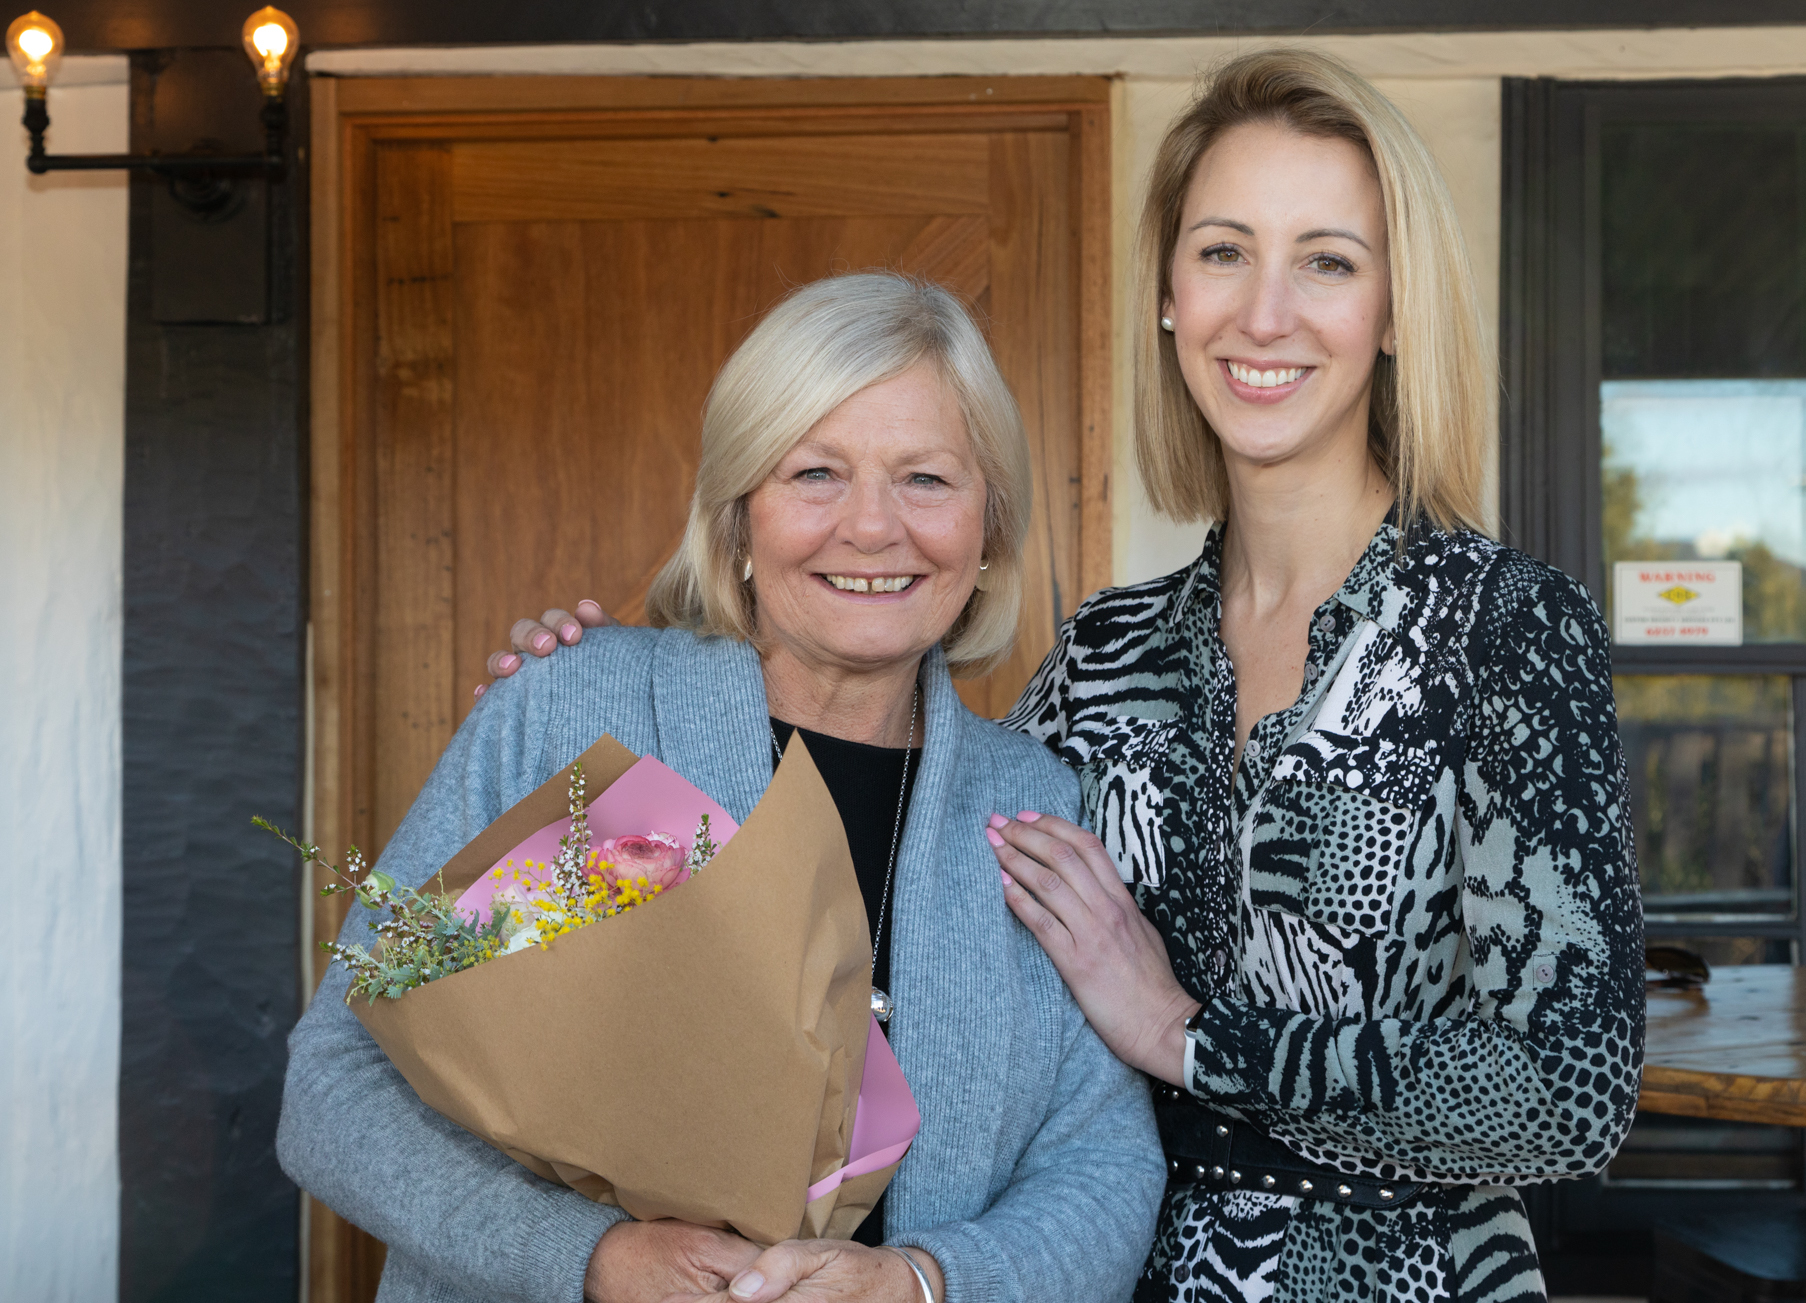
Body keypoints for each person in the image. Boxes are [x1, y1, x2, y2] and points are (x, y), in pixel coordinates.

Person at [486, 50, 1645, 1302]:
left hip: (1407, 1275)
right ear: (1165, 293)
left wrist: (1186, 1035)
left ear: (1397, 308)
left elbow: (1569, 1095)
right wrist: (621, 697)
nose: (1265, 313)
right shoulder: (1109, 648)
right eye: (1221, 252)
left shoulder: (1506, 629)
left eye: (1327, 259)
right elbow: (930, 892)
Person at [278, 272, 1166, 1303]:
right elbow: (340, 1088)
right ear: (739, 517)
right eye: (815, 473)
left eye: (926, 479)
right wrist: (588, 1259)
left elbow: (1105, 1163)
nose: (873, 527)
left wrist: (925, 1284)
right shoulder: (587, 722)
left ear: (988, 528)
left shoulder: (1032, 806)